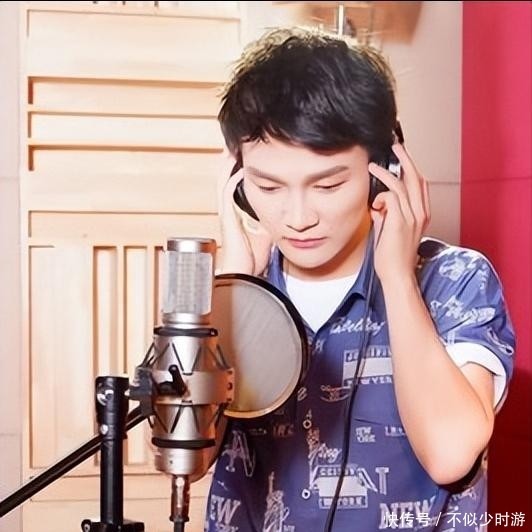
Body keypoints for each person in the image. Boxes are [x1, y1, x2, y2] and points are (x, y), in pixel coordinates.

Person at [205, 27, 515, 532]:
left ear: (383, 170)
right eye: (268, 186)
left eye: (328, 185)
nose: (298, 217)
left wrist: (397, 279)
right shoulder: (227, 293)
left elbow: (450, 453)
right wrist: (234, 288)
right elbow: (186, 455)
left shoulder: (456, 281)